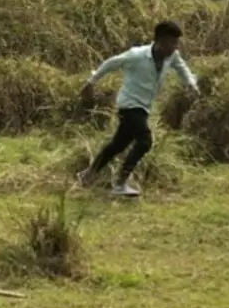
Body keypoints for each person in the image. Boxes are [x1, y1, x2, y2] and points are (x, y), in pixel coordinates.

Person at [76, 20, 201, 197]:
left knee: (118, 145)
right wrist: (91, 82)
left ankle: (87, 175)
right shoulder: (137, 56)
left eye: (176, 43)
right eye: (172, 43)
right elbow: (112, 63)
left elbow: (182, 68)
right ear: (160, 41)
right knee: (145, 141)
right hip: (129, 104)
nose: (175, 47)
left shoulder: (171, 56)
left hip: (144, 106)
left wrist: (191, 84)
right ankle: (120, 182)